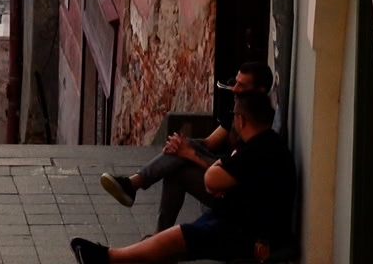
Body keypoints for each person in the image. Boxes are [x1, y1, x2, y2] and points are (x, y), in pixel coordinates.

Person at [71, 90, 294, 263]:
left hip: (249, 233)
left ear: (241, 120)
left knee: (179, 237)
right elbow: (222, 174)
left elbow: (211, 180)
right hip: (237, 217)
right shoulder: (266, 144)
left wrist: (216, 169)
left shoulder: (256, 150)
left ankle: (109, 257)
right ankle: (131, 244)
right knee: (176, 237)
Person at [100, 62, 274, 231]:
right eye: (235, 82)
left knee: (179, 168)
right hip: (221, 168)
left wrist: (189, 154)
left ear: (260, 92)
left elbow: (229, 174)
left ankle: (139, 194)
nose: (235, 89)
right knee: (180, 156)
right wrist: (180, 145)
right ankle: (150, 219)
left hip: (234, 193)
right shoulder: (238, 110)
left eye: (242, 86)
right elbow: (209, 143)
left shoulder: (259, 126)